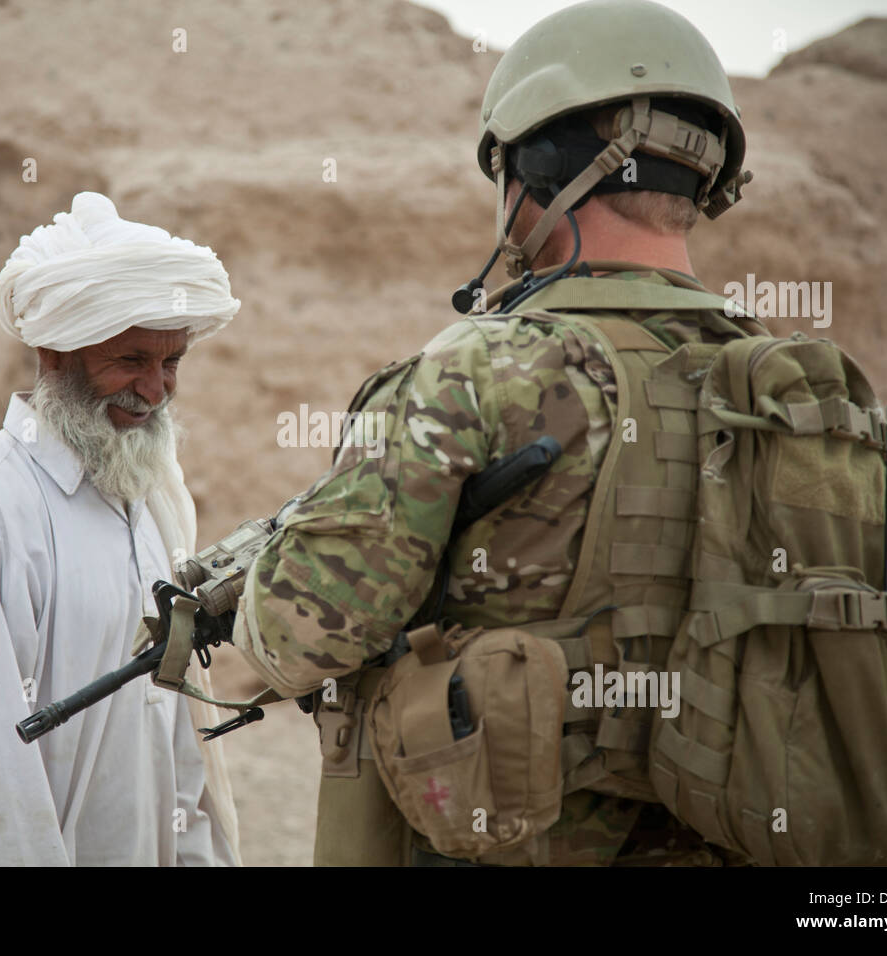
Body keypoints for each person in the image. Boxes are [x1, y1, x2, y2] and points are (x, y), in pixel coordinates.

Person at [232, 0, 764, 866]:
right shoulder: (795, 389)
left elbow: (307, 634)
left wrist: (245, 610)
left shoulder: (474, 374)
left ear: (540, 170)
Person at [0, 191, 242, 866]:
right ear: (54, 354)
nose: (157, 390)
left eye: (171, 363)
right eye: (131, 360)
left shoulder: (152, 496)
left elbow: (174, 725)